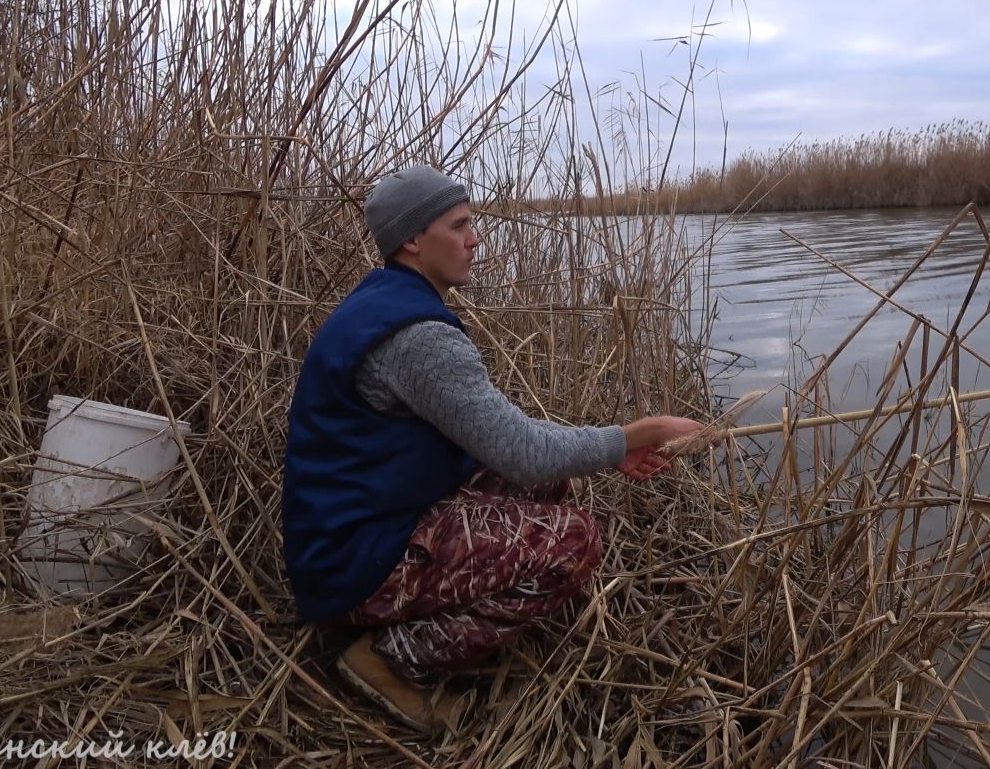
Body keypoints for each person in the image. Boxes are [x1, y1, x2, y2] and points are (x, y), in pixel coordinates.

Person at [282, 166, 702, 730]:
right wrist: (634, 436)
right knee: (573, 542)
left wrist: (613, 450)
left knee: (549, 487)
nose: (475, 238)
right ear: (412, 240)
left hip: (360, 524)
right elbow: (523, 450)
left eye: (471, 223)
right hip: (353, 564)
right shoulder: (418, 339)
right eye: (458, 226)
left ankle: (423, 614)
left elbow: (511, 443)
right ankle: (387, 660)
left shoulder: (384, 303)